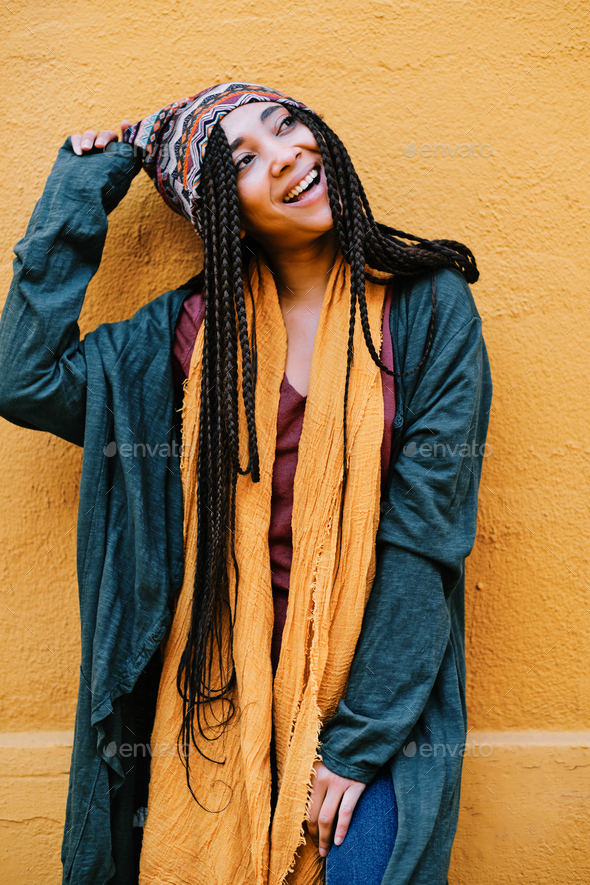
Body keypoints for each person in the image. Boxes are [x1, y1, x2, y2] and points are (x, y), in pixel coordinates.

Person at [0, 82, 492, 885]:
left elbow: (424, 537)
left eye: (287, 124)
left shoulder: (426, 309)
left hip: (376, 708)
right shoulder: (186, 336)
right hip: (211, 708)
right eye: (244, 161)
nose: (288, 155)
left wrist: (356, 746)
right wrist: (89, 180)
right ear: (215, 208)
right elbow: (24, 377)